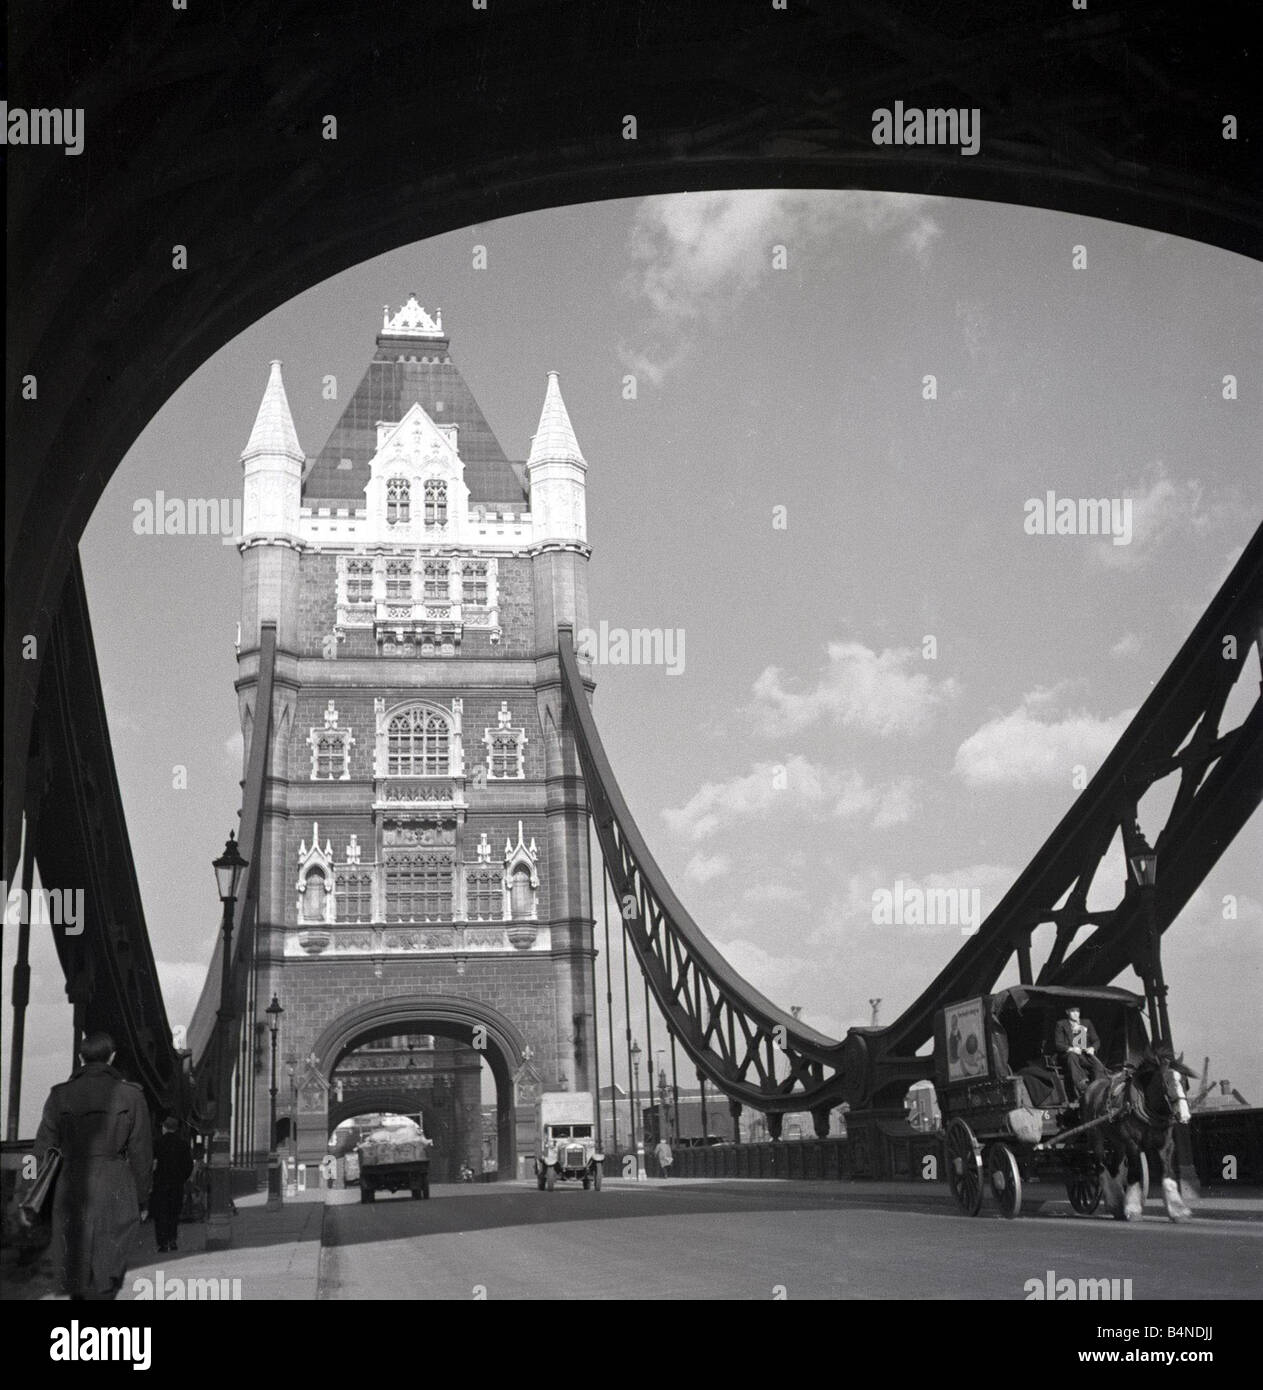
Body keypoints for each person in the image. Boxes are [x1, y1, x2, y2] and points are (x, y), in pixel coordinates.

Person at [34, 1031, 153, 1300]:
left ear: (80, 1058)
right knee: (108, 1269)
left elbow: (40, 1152)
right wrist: (143, 1197)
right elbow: (141, 1153)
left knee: (75, 1268)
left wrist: (28, 1189)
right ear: (112, 1057)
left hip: (71, 1185)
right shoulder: (132, 1096)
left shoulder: (59, 1095)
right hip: (116, 1187)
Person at [151, 1118, 193, 1252]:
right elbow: (189, 1165)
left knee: (161, 1213)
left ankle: (162, 1243)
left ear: (164, 1127)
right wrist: (182, 1178)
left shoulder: (157, 1144)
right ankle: (172, 1240)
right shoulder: (183, 1144)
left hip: (160, 1184)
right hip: (176, 1184)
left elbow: (151, 1164)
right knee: (173, 1213)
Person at [1054, 1005, 1109, 1097]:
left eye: (1077, 1011)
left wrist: (1092, 1048)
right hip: (1068, 1055)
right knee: (1072, 1055)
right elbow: (1058, 1044)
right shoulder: (1061, 1024)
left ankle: (1099, 1089)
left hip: (1084, 1055)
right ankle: (1082, 1086)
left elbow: (1096, 1041)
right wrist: (1071, 1049)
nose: (1076, 1014)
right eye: (1073, 1011)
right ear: (1067, 1012)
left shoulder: (1086, 1022)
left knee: (1097, 1065)